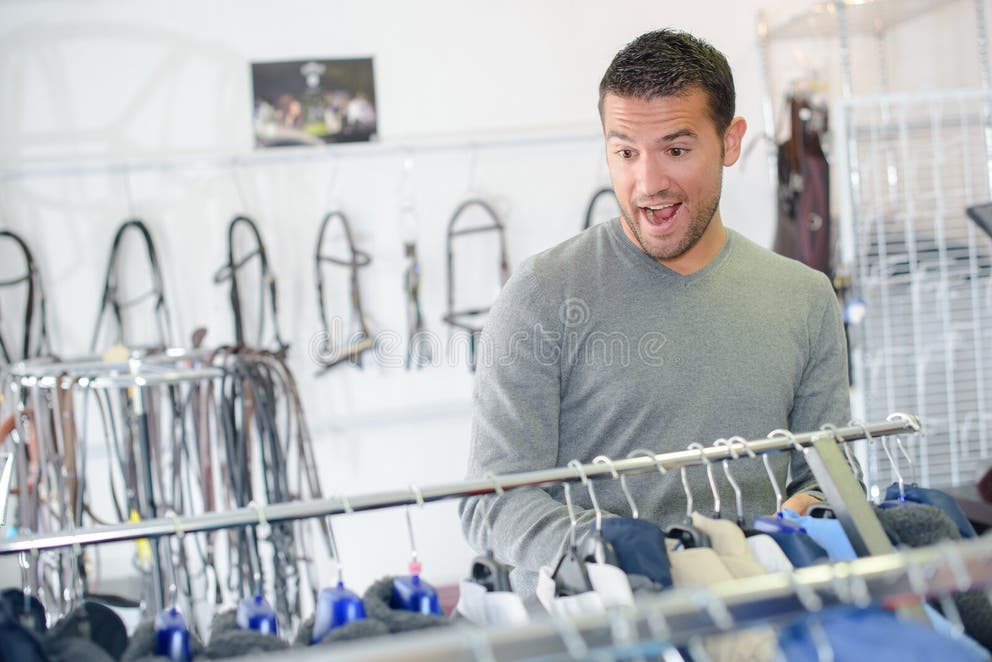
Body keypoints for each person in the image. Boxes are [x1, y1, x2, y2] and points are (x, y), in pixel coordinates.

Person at [459, 28, 852, 598]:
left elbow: (825, 480)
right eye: (624, 152)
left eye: (676, 149)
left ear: (731, 141)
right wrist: (623, 560)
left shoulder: (806, 297)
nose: (647, 183)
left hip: (758, 616)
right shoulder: (541, 294)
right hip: (596, 627)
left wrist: (801, 517)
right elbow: (492, 503)